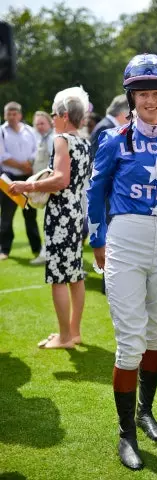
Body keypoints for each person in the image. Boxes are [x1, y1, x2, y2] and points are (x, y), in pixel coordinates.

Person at [87, 53, 157, 471]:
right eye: (142, 94)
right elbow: (96, 190)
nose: (150, 101)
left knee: (156, 333)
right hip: (125, 242)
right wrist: (97, 238)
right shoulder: (113, 139)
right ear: (131, 98)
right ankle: (126, 431)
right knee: (130, 340)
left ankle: (146, 412)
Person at [9, 87, 91, 348]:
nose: (53, 118)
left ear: (65, 115)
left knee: (58, 277)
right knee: (76, 275)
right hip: (76, 211)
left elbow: (60, 180)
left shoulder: (62, 139)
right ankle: (74, 332)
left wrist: (27, 186)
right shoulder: (84, 142)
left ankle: (65, 336)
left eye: (55, 114)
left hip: (61, 214)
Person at [0, 102, 41, 261]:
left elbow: (35, 151)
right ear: (5, 115)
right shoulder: (2, 131)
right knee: (6, 216)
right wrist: (22, 166)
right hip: (8, 178)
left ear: (20, 115)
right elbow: (3, 156)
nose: (11, 116)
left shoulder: (30, 131)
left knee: (30, 214)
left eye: (14, 113)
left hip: (28, 178)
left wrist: (29, 165)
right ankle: (4, 249)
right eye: (8, 114)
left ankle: (37, 248)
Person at [30, 111, 55, 265]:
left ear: (49, 123)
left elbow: (53, 166)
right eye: (37, 123)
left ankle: (47, 253)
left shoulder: (52, 139)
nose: (39, 126)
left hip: (49, 188)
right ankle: (47, 252)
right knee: (47, 222)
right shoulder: (42, 138)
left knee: (49, 222)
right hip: (43, 187)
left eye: (42, 123)